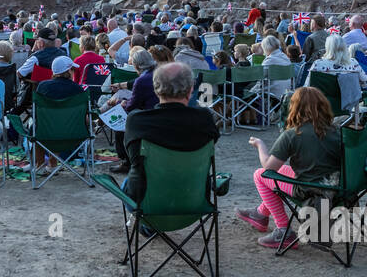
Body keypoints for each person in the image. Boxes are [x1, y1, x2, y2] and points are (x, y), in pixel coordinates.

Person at [237, 86, 342, 249]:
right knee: (282, 173)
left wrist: (260, 145)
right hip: (337, 187)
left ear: (295, 107)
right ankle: (260, 214)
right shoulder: (338, 131)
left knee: (261, 175)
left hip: (311, 189)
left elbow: (269, 167)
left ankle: (283, 229)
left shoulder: (294, 134)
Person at [122, 62, 221, 205]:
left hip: (147, 203)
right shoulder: (204, 119)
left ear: (156, 90)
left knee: (128, 181)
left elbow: (132, 158)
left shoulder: (137, 120)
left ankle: (146, 227)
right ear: (191, 89)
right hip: (194, 201)